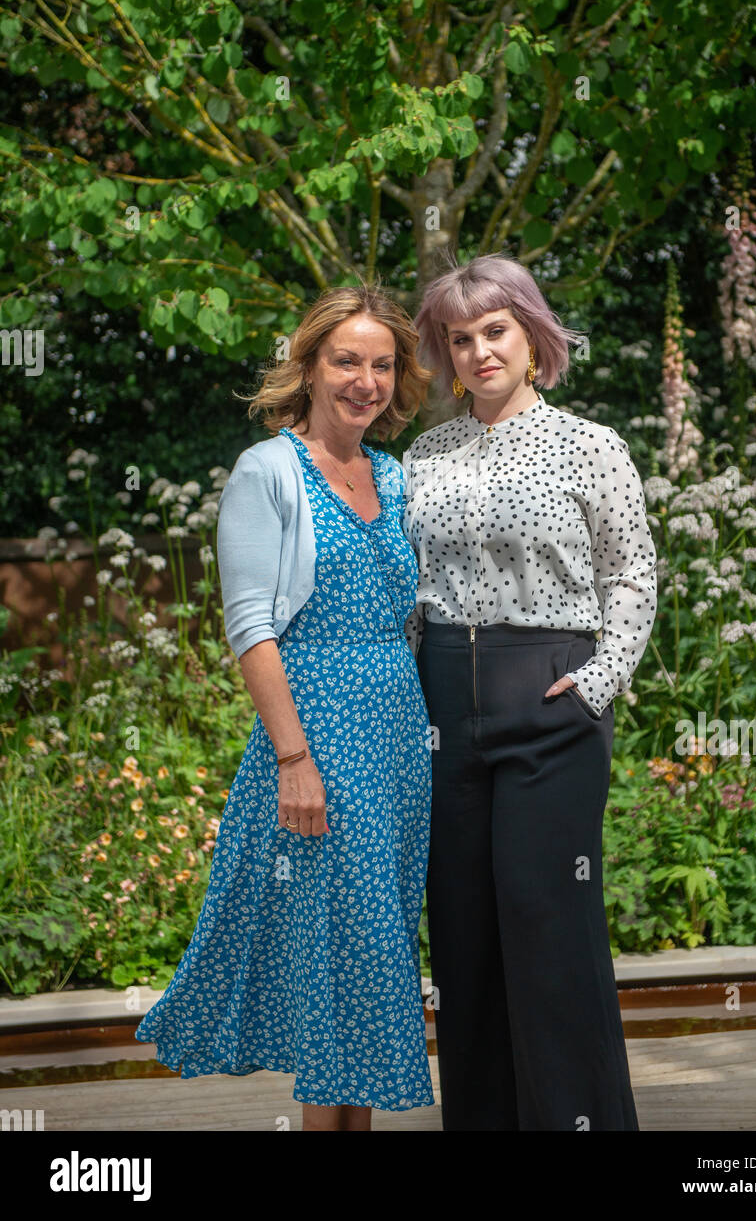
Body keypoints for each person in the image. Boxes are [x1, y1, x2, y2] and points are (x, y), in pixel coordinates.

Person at [135, 283, 436, 1132]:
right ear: (308, 367)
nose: (364, 381)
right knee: (330, 964)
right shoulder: (269, 469)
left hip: (394, 746)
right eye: (346, 360)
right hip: (318, 736)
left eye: (381, 365)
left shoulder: (393, 475)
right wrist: (292, 761)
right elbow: (250, 628)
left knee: (373, 960)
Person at [402, 252, 658, 1131]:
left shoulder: (591, 445)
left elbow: (632, 577)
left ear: (530, 333)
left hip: (550, 700)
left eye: (494, 331)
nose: (477, 352)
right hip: (441, 708)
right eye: (459, 338)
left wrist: (595, 684)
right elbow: (409, 586)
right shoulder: (423, 454)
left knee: (549, 929)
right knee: (465, 941)